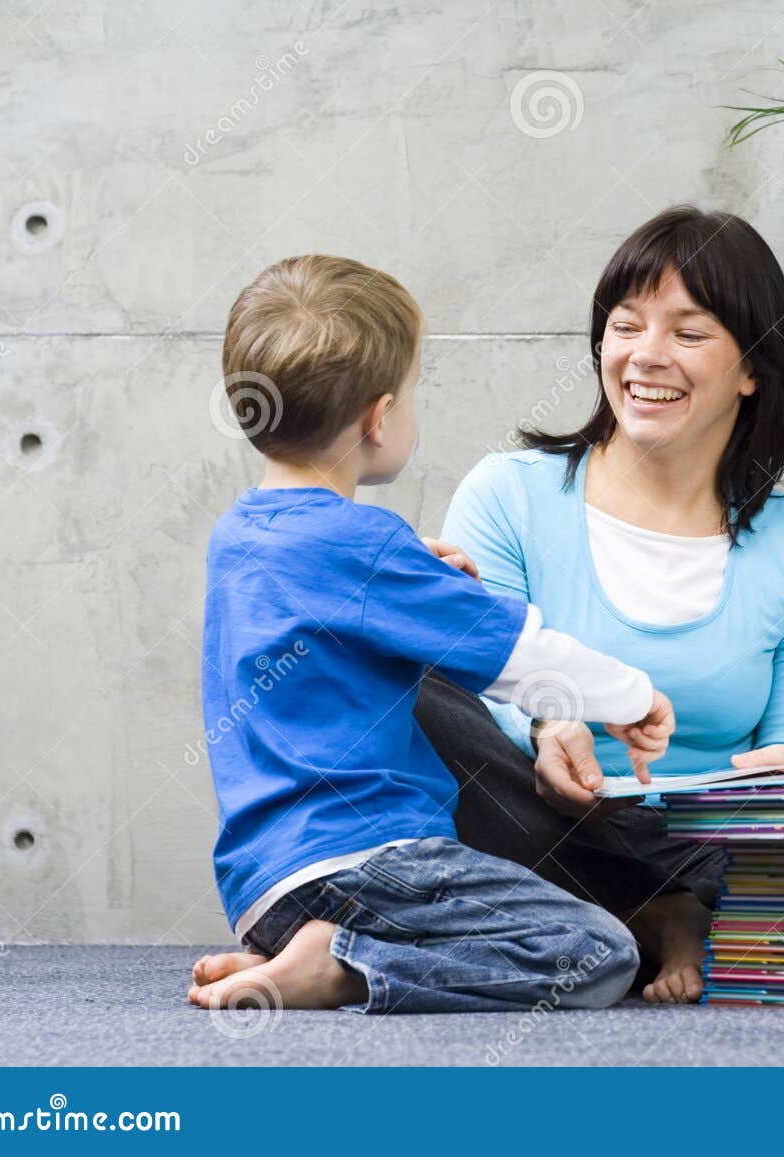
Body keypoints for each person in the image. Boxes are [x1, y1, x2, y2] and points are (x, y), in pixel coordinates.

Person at [188, 254, 674, 1014]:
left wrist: (415, 579)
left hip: (263, 886)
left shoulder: (237, 537)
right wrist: (631, 694)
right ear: (379, 417)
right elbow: (518, 655)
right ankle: (343, 967)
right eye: (414, 391)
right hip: (372, 862)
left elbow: (328, 626)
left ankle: (297, 953)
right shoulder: (367, 545)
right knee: (598, 951)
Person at [415, 206, 784, 1003]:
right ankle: (654, 913)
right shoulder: (509, 494)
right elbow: (478, 679)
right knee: (419, 685)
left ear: (753, 367)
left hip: (704, 842)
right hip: (530, 820)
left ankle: (639, 906)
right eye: (626, 326)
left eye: (690, 333)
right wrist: (549, 732)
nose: (646, 356)